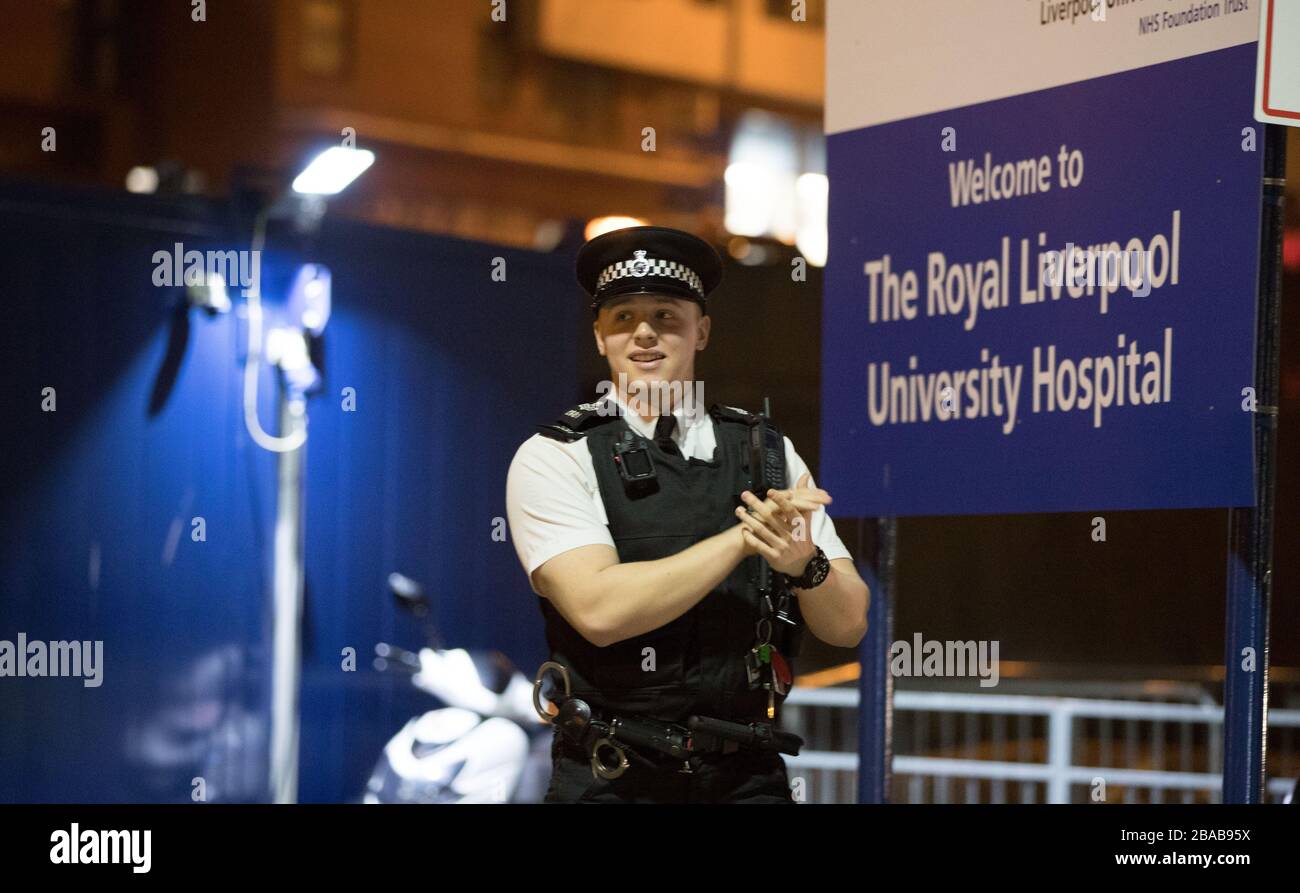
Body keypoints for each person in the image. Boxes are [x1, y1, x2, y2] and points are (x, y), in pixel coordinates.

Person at [505, 225, 869, 803]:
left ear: (702, 330)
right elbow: (598, 610)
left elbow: (849, 624)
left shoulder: (765, 451)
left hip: (748, 776)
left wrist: (807, 566)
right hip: (616, 776)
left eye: (666, 315)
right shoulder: (556, 455)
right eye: (623, 317)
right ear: (600, 335)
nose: (644, 333)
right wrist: (741, 540)